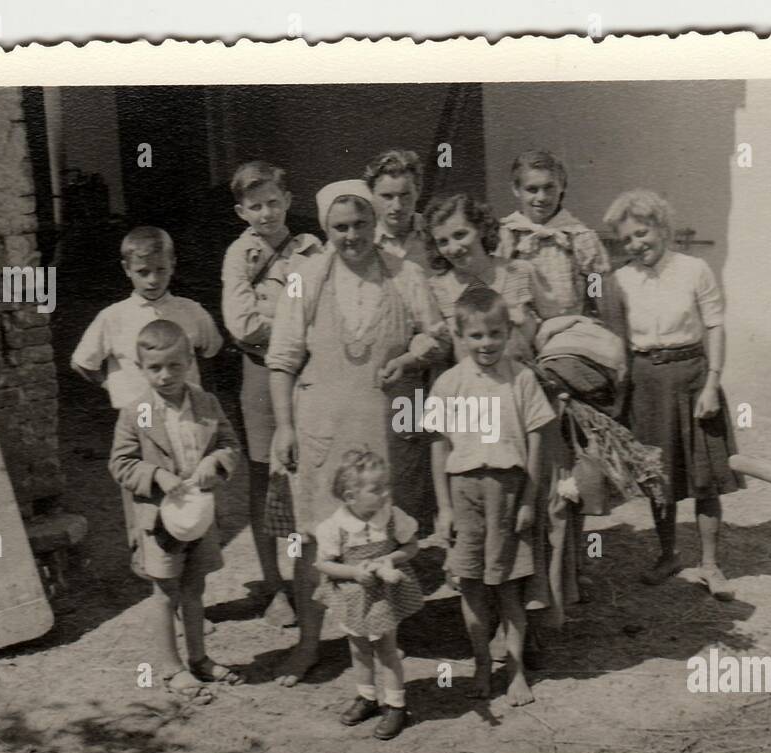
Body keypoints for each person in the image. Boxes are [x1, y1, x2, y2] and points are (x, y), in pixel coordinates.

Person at [266, 179, 449, 687]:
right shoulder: (303, 278)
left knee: (382, 537)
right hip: (323, 428)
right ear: (325, 230)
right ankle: (308, 642)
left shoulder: (406, 273)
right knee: (313, 538)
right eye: (340, 227)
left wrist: (412, 355)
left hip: (386, 430)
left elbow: (437, 335)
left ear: (375, 223)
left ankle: (385, 640)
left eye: (361, 224)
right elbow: (280, 360)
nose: (352, 236)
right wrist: (284, 427)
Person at [605, 188, 744, 600]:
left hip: (693, 378)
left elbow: (715, 325)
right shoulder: (620, 280)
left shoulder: (694, 269)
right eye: (627, 240)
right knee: (657, 477)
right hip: (646, 383)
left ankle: (710, 564)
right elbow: (617, 341)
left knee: (706, 478)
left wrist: (713, 383)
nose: (635, 245)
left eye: (641, 234)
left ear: (662, 228)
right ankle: (668, 555)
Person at [429, 286, 555, 706]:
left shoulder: (522, 378)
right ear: (460, 336)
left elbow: (538, 442)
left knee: (509, 589)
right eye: (476, 336)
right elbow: (438, 445)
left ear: (508, 332)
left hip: (508, 490)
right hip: (465, 492)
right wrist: (444, 507)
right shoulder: (449, 383)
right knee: (471, 586)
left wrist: (527, 500)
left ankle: (515, 668)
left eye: (495, 334)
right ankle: (482, 661)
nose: (487, 344)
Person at [109, 320, 244, 699]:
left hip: (196, 515)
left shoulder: (205, 404)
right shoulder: (137, 412)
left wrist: (215, 462)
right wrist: (155, 476)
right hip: (159, 521)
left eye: (174, 366)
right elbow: (120, 464)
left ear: (189, 362)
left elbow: (230, 444)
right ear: (140, 367)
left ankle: (200, 658)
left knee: (195, 588)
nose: (165, 376)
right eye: (155, 368)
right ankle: (171, 667)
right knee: (165, 591)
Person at [220, 161, 323, 603]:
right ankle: (274, 582)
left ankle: (316, 576)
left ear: (288, 202)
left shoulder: (311, 249)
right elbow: (241, 323)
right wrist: (292, 334)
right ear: (242, 211)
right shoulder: (239, 255)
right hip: (261, 372)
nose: (266, 214)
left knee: (315, 468)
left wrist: (292, 331)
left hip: (311, 373)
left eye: (273, 203)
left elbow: (323, 304)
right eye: (255, 206)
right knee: (266, 475)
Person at [314, 449, 423, 740]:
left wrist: (392, 559)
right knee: (358, 648)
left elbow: (412, 546)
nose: (385, 493)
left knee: (387, 650)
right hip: (354, 595)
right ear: (351, 496)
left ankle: (396, 705)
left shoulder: (391, 516)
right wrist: (352, 573)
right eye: (376, 490)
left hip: (384, 595)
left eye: (386, 486)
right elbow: (322, 564)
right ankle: (366, 696)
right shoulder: (334, 526)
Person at [72, 226, 223, 408]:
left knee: (188, 436)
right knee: (149, 435)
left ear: (172, 265)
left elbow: (210, 353)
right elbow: (82, 362)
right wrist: (113, 388)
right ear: (127, 269)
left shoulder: (192, 311)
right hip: (141, 408)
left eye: (160, 269)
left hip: (185, 408)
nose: (153, 280)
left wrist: (203, 398)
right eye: (143, 272)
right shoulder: (113, 317)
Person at [494, 150, 622, 338]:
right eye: (532, 189)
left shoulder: (580, 237)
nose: (542, 197)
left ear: (562, 186)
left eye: (549, 188)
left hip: (568, 330)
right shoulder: (506, 236)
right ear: (516, 189)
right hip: (517, 331)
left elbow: (597, 293)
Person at [423, 192, 538, 361]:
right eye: (443, 242)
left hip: (521, 379)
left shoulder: (520, 271)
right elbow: (439, 350)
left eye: (460, 235)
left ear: (481, 228)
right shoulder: (435, 289)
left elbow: (553, 320)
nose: (453, 248)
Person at [363, 149, 434, 272]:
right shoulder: (361, 238)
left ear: (418, 191)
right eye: (387, 196)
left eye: (405, 195)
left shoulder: (437, 233)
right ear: (372, 195)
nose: (397, 206)